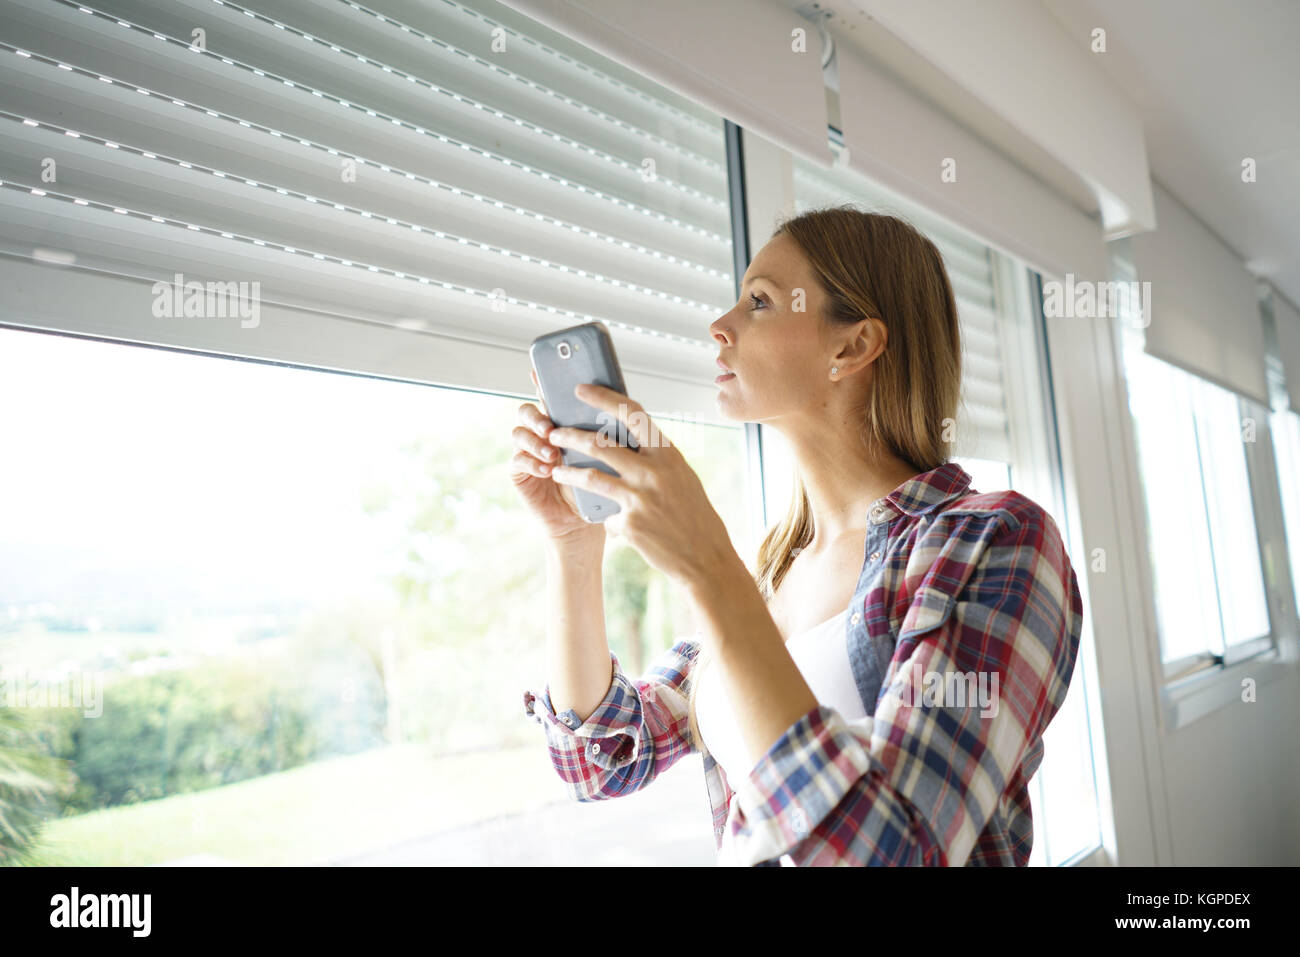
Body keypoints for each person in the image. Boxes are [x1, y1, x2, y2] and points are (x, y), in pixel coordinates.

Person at [509, 205, 1084, 866]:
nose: (718, 324)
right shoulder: (772, 573)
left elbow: (894, 851)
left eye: (759, 301)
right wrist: (573, 549)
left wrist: (709, 566)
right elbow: (600, 758)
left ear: (853, 345)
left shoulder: (995, 543)